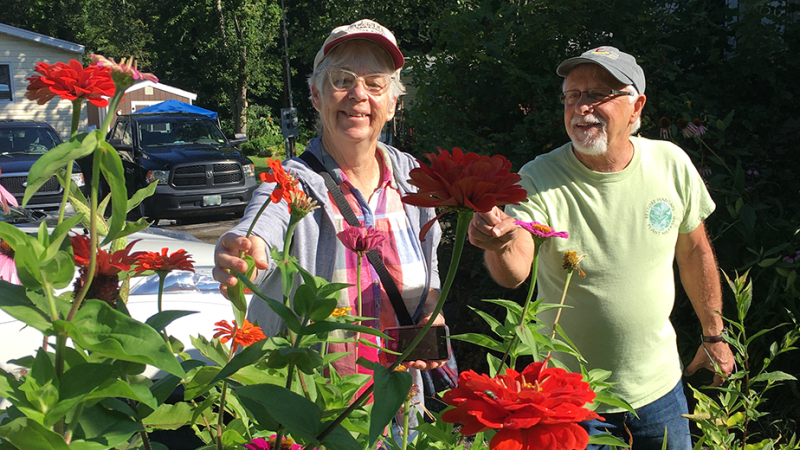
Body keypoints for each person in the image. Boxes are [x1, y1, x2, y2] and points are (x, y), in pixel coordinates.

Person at [468, 46, 735, 450]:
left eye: (598, 95)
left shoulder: (670, 163)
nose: (582, 108)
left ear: (636, 107)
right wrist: (501, 243)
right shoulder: (538, 177)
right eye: (573, 96)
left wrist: (714, 336)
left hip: (660, 390)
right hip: (568, 399)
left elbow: (695, 252)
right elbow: (515, 272)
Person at [212, 19, 446, 425]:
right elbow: (262, 227)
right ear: (317, 96)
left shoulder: (414, 180)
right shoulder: (295, 182)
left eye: (375, 83)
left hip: (399, 413)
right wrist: (243, 249)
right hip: (310, 415)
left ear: (392, 103)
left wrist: (431, 311)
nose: (359, 94)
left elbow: (431, 267)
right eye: (342, 80)